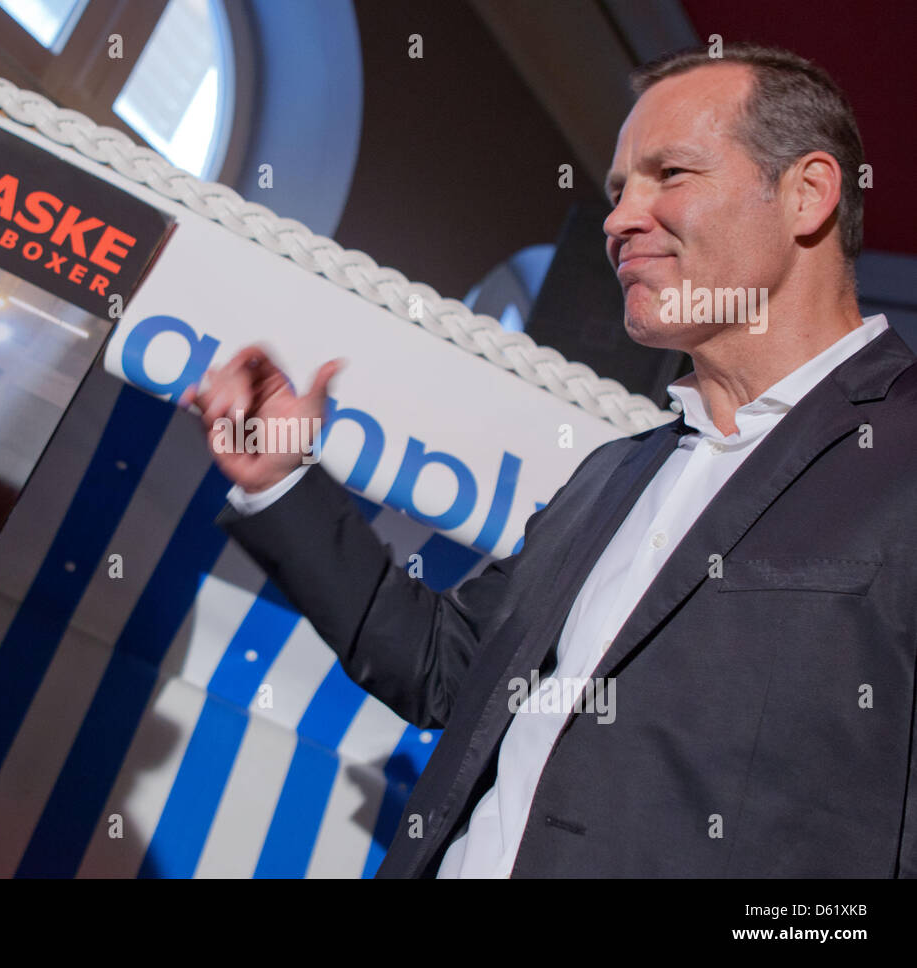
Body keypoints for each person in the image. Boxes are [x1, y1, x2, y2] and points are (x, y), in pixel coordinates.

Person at [183, 43, 917, 877]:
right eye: (616, 192)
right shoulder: (615, 474)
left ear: (808, 194)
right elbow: (446, 671)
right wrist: (281, 478)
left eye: (670, 173)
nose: (618, 219)